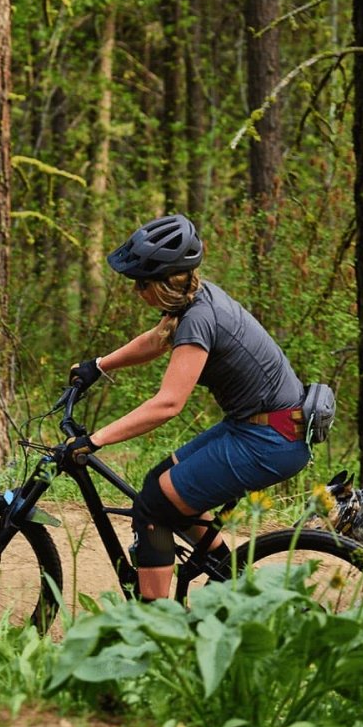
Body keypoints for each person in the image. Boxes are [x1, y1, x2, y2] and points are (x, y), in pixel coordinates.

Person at [60, 214, 311, 603]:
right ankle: (230, 577)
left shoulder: (199, 317)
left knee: (153, 509)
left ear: (161, 283)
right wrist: (100, 364)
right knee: (157, 484)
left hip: (270, 439)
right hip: (259, 426)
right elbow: (159, 338)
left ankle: (155, 624)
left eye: (140, 283)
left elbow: (168, 404)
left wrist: (95, 440)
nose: (136, 291)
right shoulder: (196, 299)